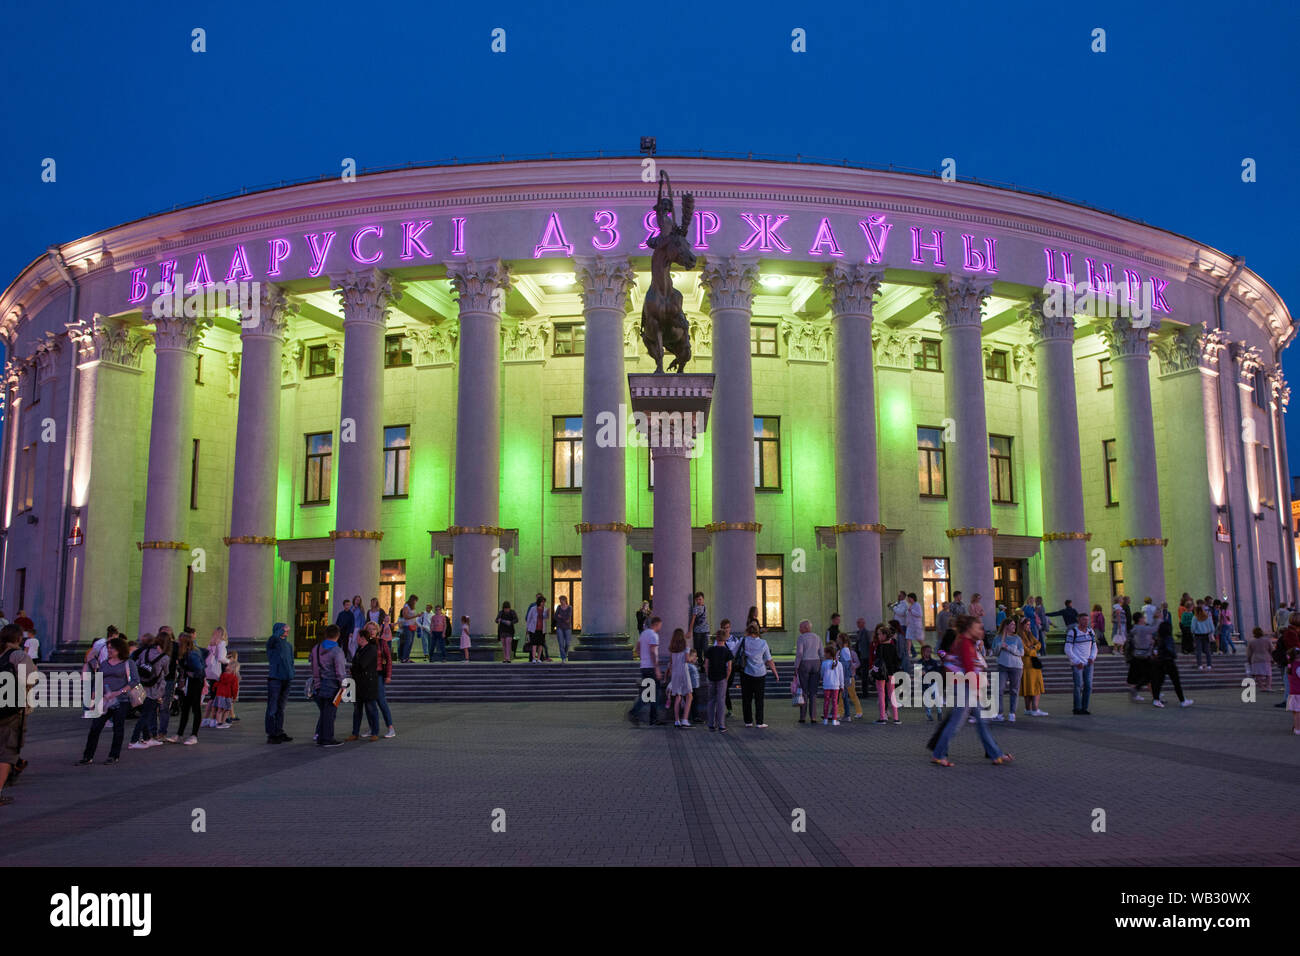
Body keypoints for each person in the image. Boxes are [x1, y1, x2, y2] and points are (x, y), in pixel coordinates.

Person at [929, 615, 1012, 767]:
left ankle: (996, 754)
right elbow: (969, 669)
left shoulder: (966, 642)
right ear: (969, 628)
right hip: (965, 687)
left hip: (966, 686)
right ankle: (939, 754)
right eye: (976, 627)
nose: (980, 629)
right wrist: (977, 689)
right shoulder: (965, 643)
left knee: (981, 722)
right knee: (957, 723)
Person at [77, 636, 140, 765]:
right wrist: (93, 697)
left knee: (118, 728)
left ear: (119, 649)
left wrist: (120, 691)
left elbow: (135, 680)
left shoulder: (128, 663)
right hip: (104, 700)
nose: (109, 650)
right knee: (95, 728)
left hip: (121, 700)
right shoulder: (105, 663)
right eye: (108, 648)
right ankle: (88, 756)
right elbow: (99, 679)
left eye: (112, 648)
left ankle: (114, 755)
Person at [0, 624, 36, 804]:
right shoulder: (19, 656)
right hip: (13, 709)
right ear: (18, 639)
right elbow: (31, 679)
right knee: (8, 751)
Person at [309, 624, 347, 747]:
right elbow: (340, 670)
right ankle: (327, 738)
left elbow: (313, 665)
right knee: (330, 713)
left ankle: (321, 736)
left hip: (318, 684)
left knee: (324, 712)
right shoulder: (337, 651)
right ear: (337, 635)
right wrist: (343, 684)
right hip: (332, 685)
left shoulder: (316, 648)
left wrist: (316, 680)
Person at [127, 634, 167, 749]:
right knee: (146, 714)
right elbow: (163, 672)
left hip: (139, 685)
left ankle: (147, 738)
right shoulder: (156, 654)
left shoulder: (138, 653)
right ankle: (134, 740)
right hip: (151, 687)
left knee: (145, 712)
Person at [169, 631, 205, 745]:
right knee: (185, 708)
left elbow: (199, 670)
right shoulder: (187, 653)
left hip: (195, 682)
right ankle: (179, 734)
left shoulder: (192, 654)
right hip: (189, 682)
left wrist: (190, 674)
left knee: (195, 708)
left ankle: (194, 735)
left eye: (180, 641)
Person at [738, 623, 777, 728]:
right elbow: (769, 660)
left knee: (747, 698)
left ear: (748, 631)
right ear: (757, 631)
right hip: (760, 673)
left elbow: (734, 653)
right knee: (759, 699)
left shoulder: (743, 641)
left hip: (746, 672)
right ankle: (759, 722)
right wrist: (775, 673)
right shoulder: (763, 643)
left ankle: (748, 721)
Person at [1151, 612, 1193, 708]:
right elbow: (1169, 649)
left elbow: (1157, 648)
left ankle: (1156, 699)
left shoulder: (1160, 638)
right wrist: (1174, 655)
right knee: (1176, 681)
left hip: (1160, 661)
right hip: (1168, 661)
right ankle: (1182, 700)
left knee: (1159, 681)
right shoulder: (1168, 638)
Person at [348, 627, 382, 741]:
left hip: (368, 684)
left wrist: (354, 668)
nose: (356, 639)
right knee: (357, 710)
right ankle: (355, 732)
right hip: (358, 684)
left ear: (362, 638)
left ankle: (375, 732)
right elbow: (354, 664)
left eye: (358, 637)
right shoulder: (359, 650)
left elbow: (362, 664)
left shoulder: (371, 649)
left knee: (371, 708)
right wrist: (354, 668)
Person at [629, 616, 663, 725]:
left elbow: (637, 648)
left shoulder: (643, 634)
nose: (660, 628)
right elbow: (653, 652)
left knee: (649, 693)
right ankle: (637, 713)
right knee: (654, 693)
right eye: (660, 625)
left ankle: (652, 718)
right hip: (651, 668)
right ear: (656, 624)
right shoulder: (653, 635)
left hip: (644, 667)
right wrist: (657, 669)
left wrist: (643, 657)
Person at [264, 622, 294, 744]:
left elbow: (291, 660)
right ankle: (272, 734)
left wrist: (292, 673)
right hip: (275, 678)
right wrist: (281, 629)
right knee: (272, 707)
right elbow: (274, 638)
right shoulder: (273, 643)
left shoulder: (288, 645)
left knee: (281, 707)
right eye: (284, 630)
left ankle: (279, 731)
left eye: (287, 630)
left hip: (287, 678)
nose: (286, 631)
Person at [1064, 616, 1098, 715]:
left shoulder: (1090, 631)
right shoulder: (1073, 632)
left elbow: (1094, 646)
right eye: (1083, 619)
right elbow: (1068, 648)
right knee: (1078, 685)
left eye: (1087, 619)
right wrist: (1076, 661)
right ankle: (1077, 708)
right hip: (1077, 663)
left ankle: (1085, 707)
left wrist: (1092, 657)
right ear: (1078, 620)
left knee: (1088, 686)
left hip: (1088, 662)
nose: (1086, 621)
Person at [993, 620, 1024, 722]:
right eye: (1012, 625)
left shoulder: (1017, 638)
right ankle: (1000, 713)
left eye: (1015, 625)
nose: (1014, 626)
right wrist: (1000, 645)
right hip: (1002, 666)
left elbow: (1021, 652)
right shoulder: (997, 637)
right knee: (999, 689)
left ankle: (1012, 713)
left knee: (1014, 690)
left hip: (1016, 666)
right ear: (1006, 626)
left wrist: (1009, 648)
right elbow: (995, 653)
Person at [869, 624, 900, 724]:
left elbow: (877, 662)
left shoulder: (880, 647)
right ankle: (896, 718)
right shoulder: (893, 646)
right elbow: (896, 661)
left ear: (884, 635)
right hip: (891, 673)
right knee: (892, 695)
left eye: (879, 634)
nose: (878, 636)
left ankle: (882, 717)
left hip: (881, 675)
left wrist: (873, 670)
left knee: (881, 695)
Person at [704, 629, 733, 732]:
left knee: (711, 700)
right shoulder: (727, 652)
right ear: (725, 638)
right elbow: (729, 667)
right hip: (722, 678)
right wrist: (726, 678)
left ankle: (711, 724)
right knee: (721, 701)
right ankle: (721, 725)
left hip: (712, 677)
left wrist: (708, 675)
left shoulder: (710, 650)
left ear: (716, 637)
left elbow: (706, 664)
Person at [793, 619, 822, 724]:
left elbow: (800, 653)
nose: (799, 629)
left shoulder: (801, 638)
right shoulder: (817, 637)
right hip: (816, 663)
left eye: (800, 627)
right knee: (813, 692)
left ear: (806, 628)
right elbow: (821, 652)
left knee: (804, 691)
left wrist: (796, 666)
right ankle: (813, 717)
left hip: (805, 663)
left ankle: (803, 717)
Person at [665, 629, 692, 727]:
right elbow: (687, 659)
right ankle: (685, 718)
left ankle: (677, 720)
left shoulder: (672, 648)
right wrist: (692, 659)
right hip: (684, 672)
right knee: (689, 695)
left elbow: (671, 663)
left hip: (675, 673)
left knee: (678, 696)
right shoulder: (686, 647)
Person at [1126, 612, 1156, 701]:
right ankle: (1155, 696)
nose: (1145, 618)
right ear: (1140, 619)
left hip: (1135, 656)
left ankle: (1135, 694)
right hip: (1141, 656)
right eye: (1143, 617)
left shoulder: (1134, 629)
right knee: (1148, 676)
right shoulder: (1140, 628)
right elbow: (1154, 629)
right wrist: (1158, 619)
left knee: (1135, 676)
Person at [1019, 620, 1047, 716]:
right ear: (1022, 625)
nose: (1029, 626)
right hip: (1027, 664)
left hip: (1033, 663)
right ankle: (1033, 708)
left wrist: (1033, 648)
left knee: (1035, 684)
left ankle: (1031, 708)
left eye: (1029, 624)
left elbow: (1038, 643)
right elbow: (1026, 651)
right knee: (1031, 685)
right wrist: (1033, 649)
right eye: (1027, 624)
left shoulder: (1030, 635)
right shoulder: (1019, 636)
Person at [375, 623, 397, 738]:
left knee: (381, 702)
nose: (371, 631)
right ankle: (373, 728)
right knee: (370, 704)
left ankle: (390, 727)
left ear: (377, 630)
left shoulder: (381, 643)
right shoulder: (364, 643)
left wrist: (388, 675)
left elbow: (388, 660)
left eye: (373, 629)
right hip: (367, 677)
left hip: (379, 675)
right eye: (369, 629)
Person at [836, 634, 864, 720]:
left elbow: (857, 663)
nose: (837, 640)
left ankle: (859, 711)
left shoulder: (851, 652)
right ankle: (840, 712)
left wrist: (853, 666)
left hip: (849, 676)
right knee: (840, 696)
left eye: (838, 638)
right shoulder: (838, 652)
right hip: (841, 677)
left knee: (852, 694)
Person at [209, 653, 240, 728]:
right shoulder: (234, 678)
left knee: (219, 709)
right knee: (227, 709)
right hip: (227, 695)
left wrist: (214, 688)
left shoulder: (223, 675)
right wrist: (235, 696)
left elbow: (218, 683)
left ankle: (218, 723)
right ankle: (222, 722)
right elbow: (234, 688)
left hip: (219, 695)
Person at [820, 644, 844, 726]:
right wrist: (842, 686)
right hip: (836, 686)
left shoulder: (824, 663)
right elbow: (841, 676)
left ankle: (825, 719)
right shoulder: (839, 664)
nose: (824, 654)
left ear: (829, 654)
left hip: (826, 685)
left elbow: (822, 674)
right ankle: (834, 720)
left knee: (826, 702)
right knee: (835, 703)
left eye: (825, 653)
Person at [919, 644, 944, 721]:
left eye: (930, 652)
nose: (928, 653)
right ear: (922, 653)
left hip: (933, 683)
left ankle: (939, 711)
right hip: (925, 684)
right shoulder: (919, 662)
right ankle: (929, 714)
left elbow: (937, 671)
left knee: (937, 698)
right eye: (927, 651)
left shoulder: (934, 662)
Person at [1247, 627, 1275, 692]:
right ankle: (1268, 686)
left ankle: (1262, 687)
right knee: (1268, 673)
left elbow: (1249, 652)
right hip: (1266, 658)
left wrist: (1249, 659)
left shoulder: (1251, 641)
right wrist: (1273, 658)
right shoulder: (1267, 640)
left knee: (1257, 674)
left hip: (1255, 659)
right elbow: (1272, 650)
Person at [1191, 603, 1216, 671]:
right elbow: (1212, 628)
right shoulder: (1207, 617)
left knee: (1198, 651)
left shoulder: (1195, 618)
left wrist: (1194, 632)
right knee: (1207, 651)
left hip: (1198, 635)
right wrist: (1211, 633)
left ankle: (1200, 665)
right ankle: (1209, 665)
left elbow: (1193, 628)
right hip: (1206, 635)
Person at [398, 594, 420, 663]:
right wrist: (416, 615)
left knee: (411, 643)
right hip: (407, 626)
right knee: (408, 642)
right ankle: (404, 657)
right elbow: (405, 616)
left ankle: (407, 657)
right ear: (412, 600)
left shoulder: (412, 607)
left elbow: (413, 619)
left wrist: (417, 625)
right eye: (415, 601)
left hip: (412, 626)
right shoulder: (406, 606)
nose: (416, 602)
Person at [526, 596, 548, 663]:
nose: (543, 603)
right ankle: (533, 658)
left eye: (544, 602)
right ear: (539, 602)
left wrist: (547, 614)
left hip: (542, 629)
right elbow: (529, 618)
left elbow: (546, 618)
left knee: (541, 644)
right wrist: (527, 628)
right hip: (533, 629)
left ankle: (539, 658)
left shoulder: (545, 609)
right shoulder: (533, 609)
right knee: (534, 644)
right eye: (542, 602)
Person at [553, 594, 574, 663]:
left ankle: (564, 654)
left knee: (567, 643)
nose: (561, 602)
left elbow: (568, 618)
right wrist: (561, 617)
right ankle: (563, 658)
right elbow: (555, 617)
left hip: (567, 627)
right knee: (561, 643)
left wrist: (561, 616)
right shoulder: (559, 607)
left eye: (562, 600)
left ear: (565, 600)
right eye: (560, 600)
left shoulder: (569, 607)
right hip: (559, 627)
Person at [903, 593, 923, 662]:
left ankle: (925, 651)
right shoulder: (910, 606)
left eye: (909, 598)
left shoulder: (917, 605)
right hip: (910, 626)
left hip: (916, 626)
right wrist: (907, 622)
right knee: (908, 639)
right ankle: (908, 654)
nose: (908, 599)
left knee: (919, 640)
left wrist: (912, 611)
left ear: (912, 598)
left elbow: (920, 614)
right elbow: (908, 615)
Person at [689, 593, 710, 661]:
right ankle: (701, 664)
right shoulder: (696, 608)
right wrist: (690, 631)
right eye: (697, 600)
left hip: (706, 630)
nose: (699, 601)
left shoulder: (705, 607)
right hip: (697, 631)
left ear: (703, 599)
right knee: (698, 649)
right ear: (695, 600)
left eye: (700, 599)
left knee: (706, 648)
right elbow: (693, 619)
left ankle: (706, 663)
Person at [1285, 648, 1300, 735]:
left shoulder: (1291, 665)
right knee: (1298, 712)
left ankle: (1295, 726)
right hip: (1298, 693)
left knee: (1295, 712)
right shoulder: (1298, 666)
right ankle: (1297, 729)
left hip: (1293, 692)